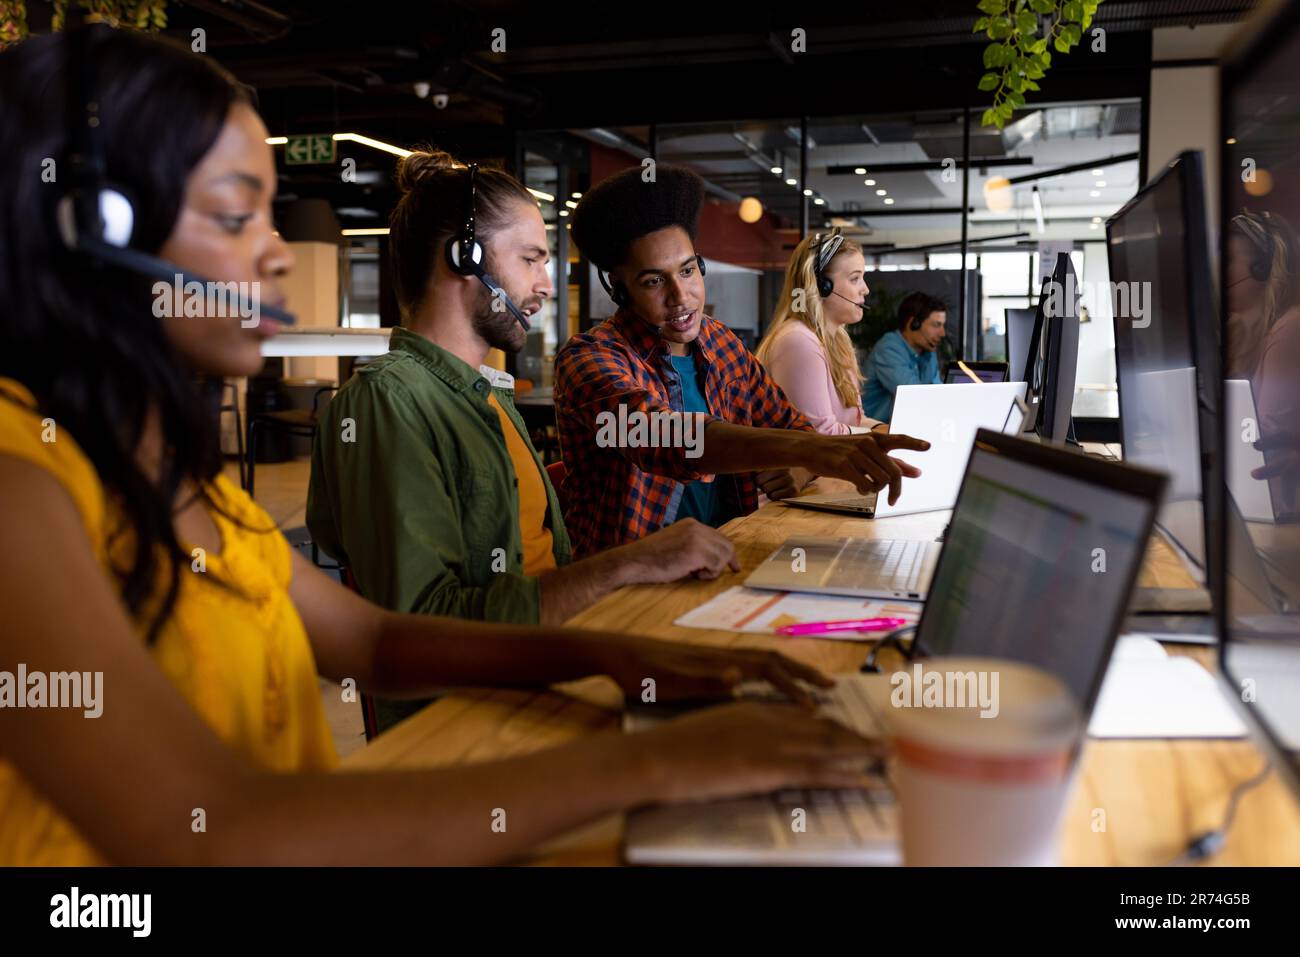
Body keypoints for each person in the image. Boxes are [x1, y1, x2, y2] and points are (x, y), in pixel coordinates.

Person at [0, 26, 883, 866]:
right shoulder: (18, 491)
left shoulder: (174, 477)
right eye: (237, 219)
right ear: (94, 235)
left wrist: (615, 653)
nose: (275, 256)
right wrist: (661, 761)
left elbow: (375, 640)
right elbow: (213, 834)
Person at [307, 151, 744, 731]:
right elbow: (421, 631)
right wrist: (629, 565)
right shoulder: (389, 402)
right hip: (474, 722)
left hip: (554, 676)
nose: (544, 284)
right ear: (464, 258)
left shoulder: (488, 395)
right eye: (532, 259)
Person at [554, 164, 929, 557]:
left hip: (728, 553)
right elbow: (664, 438)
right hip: (627, 582)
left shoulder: (721, 343)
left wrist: (795, 465)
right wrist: (801, 450)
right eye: (653, 281)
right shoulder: (587, 359)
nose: (680, 296)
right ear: (618, 289)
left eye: (688, 271)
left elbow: (792, 427)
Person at [755, 228, 884, 435]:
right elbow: (819, 434)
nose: (865, 289)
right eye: (855, 279)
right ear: (821, 286)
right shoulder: (798, 341)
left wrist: (885, 430)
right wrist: (880, 437)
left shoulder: (838, 341)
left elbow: (854, 422)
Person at [1226, 210, 1300, 515]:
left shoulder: (1290, 329)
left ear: (1261, 268)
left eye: (1227, 261)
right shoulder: (1250, 332)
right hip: (1257, 505)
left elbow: (1265, 439)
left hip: (1282, 513)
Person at [861, 292, 946, 422]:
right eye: (936, 325)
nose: (942, 333)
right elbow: (915, 396)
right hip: (875, 433)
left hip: (904, 429)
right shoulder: (889, 347)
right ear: (913, 323)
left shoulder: (928, 350)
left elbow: (937, 394)